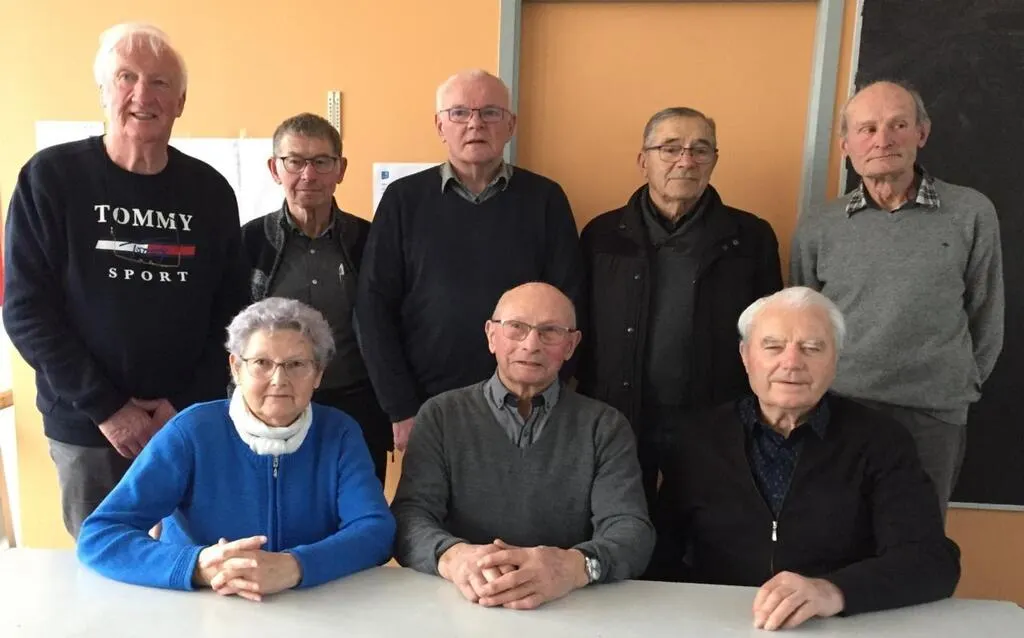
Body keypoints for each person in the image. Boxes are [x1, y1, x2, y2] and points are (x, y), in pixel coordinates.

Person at [2, 22, 249, 537]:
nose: (142, 95)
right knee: (104, 573)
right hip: (87, 427)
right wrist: (109, 409)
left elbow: (231, 316)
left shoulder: (210, 193)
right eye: (126, 77)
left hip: (184, 423)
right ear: (102, 91)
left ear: (181, 101)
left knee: (193, 564)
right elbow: (26, 310)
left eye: (160, 82)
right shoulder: (49, 179)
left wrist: (180, 408)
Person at [648, 287, 961, 631]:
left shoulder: (881, 441)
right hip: (719, 622)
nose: (792, 362)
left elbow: (931, 560)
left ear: (836, 359)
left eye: (812, 348)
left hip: (838, 625)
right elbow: (660, 554)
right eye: (773, 346)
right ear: (745, 356)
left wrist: (833, 591)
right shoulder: (698, 440)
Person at [77, 298, 395, 598]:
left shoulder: (339, 433)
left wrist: (296, 566)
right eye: (261, 363)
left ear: (318, 375)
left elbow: (376, 530)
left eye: (297, 364)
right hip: (204, 606)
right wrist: (197, 566)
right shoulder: (191, 431)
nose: (279, 380)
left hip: (314, 608)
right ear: (235, 367)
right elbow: (101, 535)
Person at [790, 80, 1004, 514]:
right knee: (831, 534)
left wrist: (958, 385)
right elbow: (803, 322)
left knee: (915, 543)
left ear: (921, 133)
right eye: (867, 129)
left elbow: (986, 312)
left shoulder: (970, 212)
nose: (882, 140)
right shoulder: (819, 226)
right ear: (846, 144)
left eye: (898, 125)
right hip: (837, 413)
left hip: (931, 416)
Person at [356, 69, 584, 454]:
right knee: (430, 511)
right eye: (459, 112)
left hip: (525, 405)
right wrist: (399, 407)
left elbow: (570, 305)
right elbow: (372, 308)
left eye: (490, 113)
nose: (475, 123)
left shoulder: (545, 199)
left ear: (510, 125)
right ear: (439, 125)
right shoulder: (403, 200)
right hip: (425, 407)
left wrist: (551, 396)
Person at [392, 282, 653, 610]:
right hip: (462, 604)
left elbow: (631, 530)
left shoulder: (604, 426)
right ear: (491, 336)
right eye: (516, 328)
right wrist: (455, 557)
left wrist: (571, 567)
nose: (531, 345)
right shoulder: (442, 415)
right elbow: (409, 516)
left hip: (573, 606)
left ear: (571, 345)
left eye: (550, 331)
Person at [578, 106, 783, 510]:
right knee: (619, 522)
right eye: (670, 148)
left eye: (700, 150)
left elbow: (768, 334)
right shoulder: (602, 235)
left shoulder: (750, 237)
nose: (686, 161)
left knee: (699, 532)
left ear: (714, 161)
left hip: (715, 418)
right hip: (617, 415)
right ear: (643, 161)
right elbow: (578, 325)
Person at [242, 112, 390, 486]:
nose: (308, 175)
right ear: (275, 168)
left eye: (321, 162)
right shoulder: (248, 243)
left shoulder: (371, 241)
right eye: (295, 161)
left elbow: (390, 322)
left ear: (340, 169)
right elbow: (232, 329)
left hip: (358, 404)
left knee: (356, 508)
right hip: (274, 409)